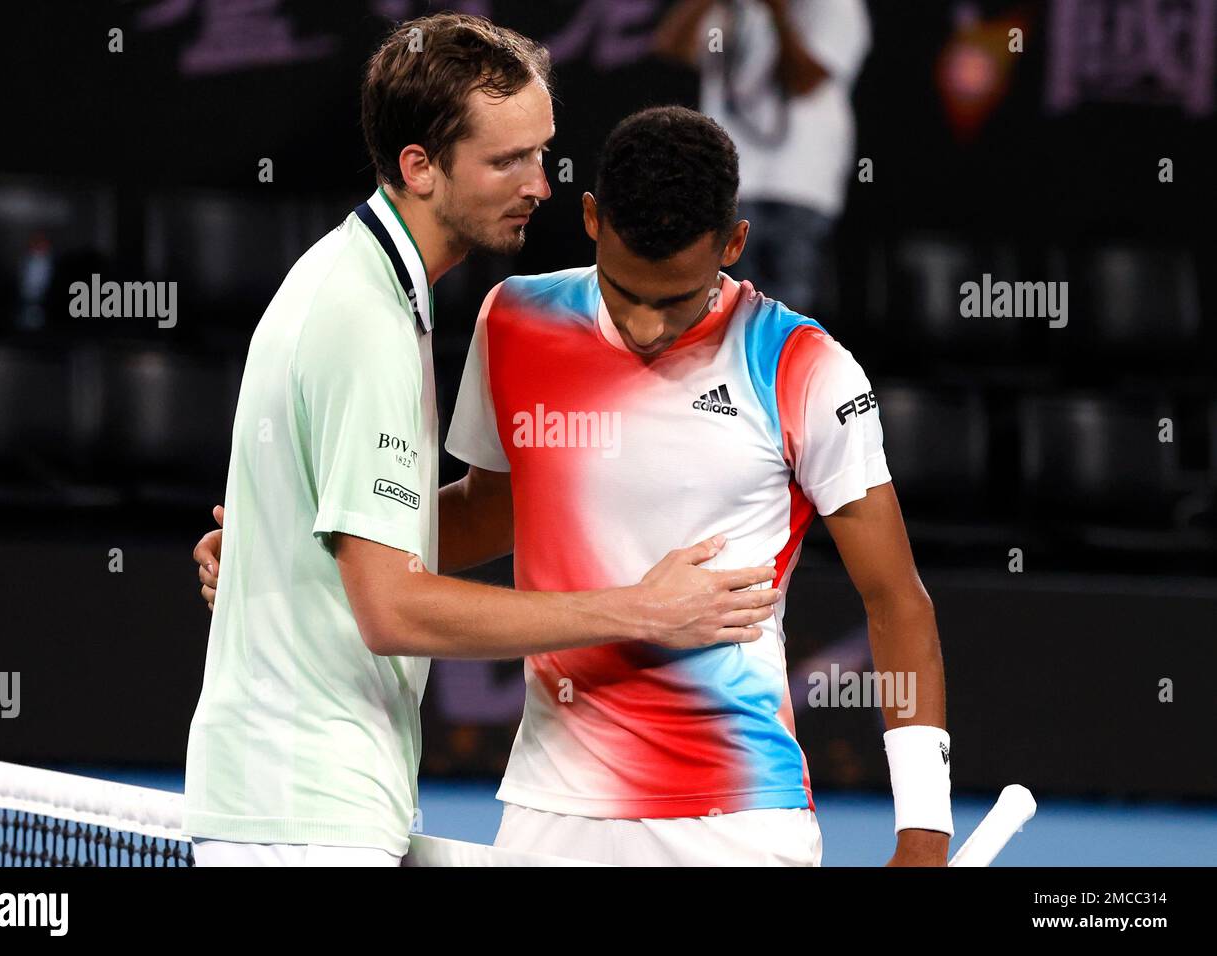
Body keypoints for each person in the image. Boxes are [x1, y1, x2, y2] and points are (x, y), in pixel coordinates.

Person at [198, 106, 952, 866]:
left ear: (734, 243)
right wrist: (290, 551)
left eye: (677, 300)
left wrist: (922, 835)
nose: (649, 328)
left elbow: (896, 599)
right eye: (629, 293)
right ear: (591, 219)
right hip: (547, 807)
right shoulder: (517, 319)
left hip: (734, 817)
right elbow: (484, 518)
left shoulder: (806, 370)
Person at [184, 16, 781, 868]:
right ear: (420, 168)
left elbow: (417, 530)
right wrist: (640, 610)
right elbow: (392, 608)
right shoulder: (364, 320)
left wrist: (272, 554)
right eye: (507, 161)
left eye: (541, 152)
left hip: (308, 804)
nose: (540, 185)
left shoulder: (360, 285)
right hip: (304, 815)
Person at [652, 0, 871, 313]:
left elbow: (803, 80)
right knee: (720, 315)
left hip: (799, 187)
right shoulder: (735, 8)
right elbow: (672, 45)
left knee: (785, 317)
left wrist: (778, 12)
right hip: (730, 185)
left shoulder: (835, 6)